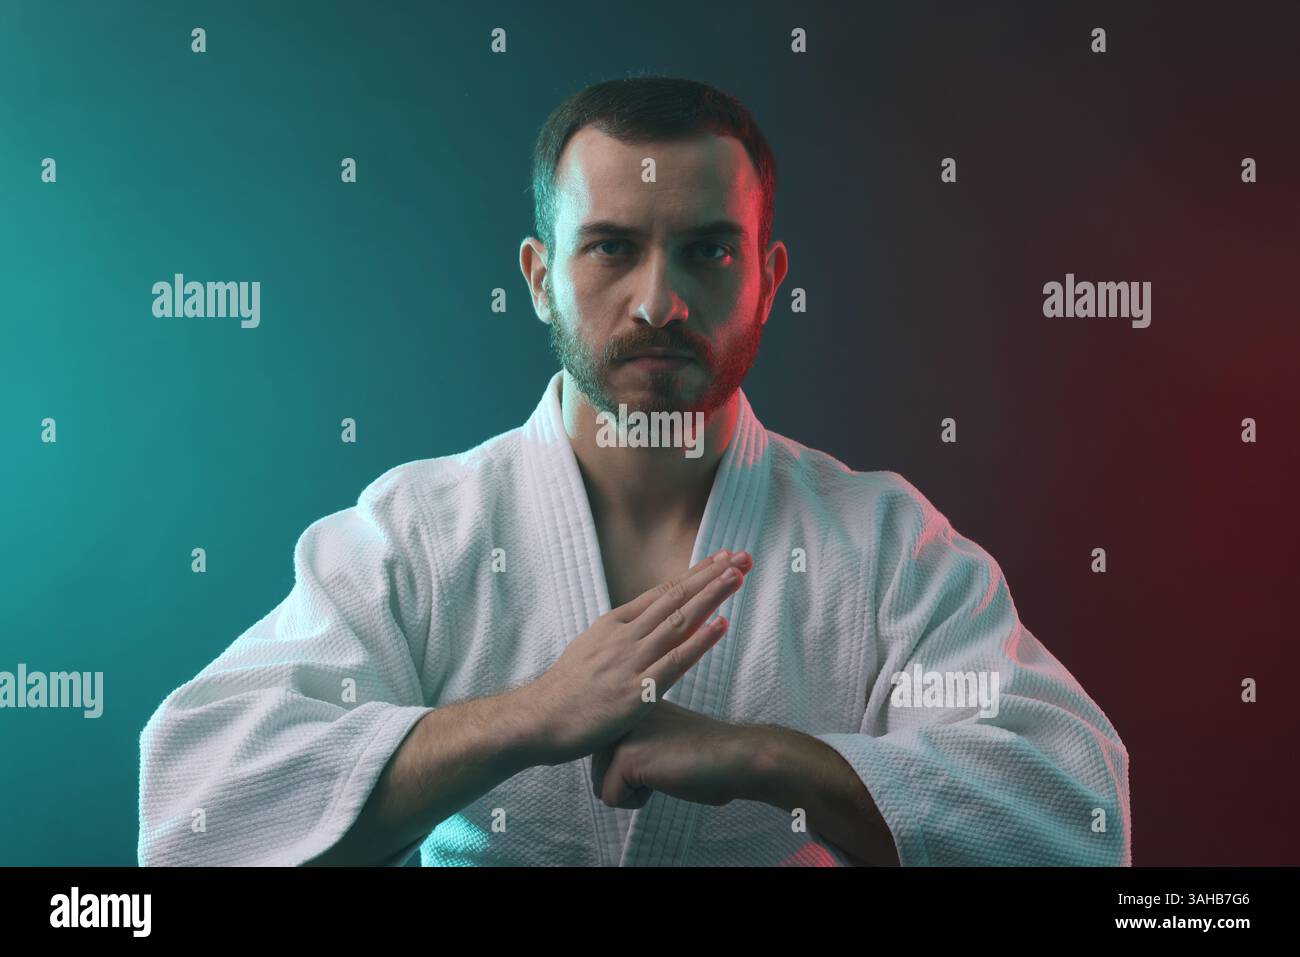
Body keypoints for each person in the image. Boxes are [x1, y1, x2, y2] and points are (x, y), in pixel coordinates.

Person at [138, 76, 1131, 867]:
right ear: (538, 277)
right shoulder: (423, 531)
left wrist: (772, 760)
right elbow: (198, 803)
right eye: (611, 248)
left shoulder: (878, 543)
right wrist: (529, 717)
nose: (659, 300)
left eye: (706, 250)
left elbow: (1069, 808)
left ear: (768, 280)